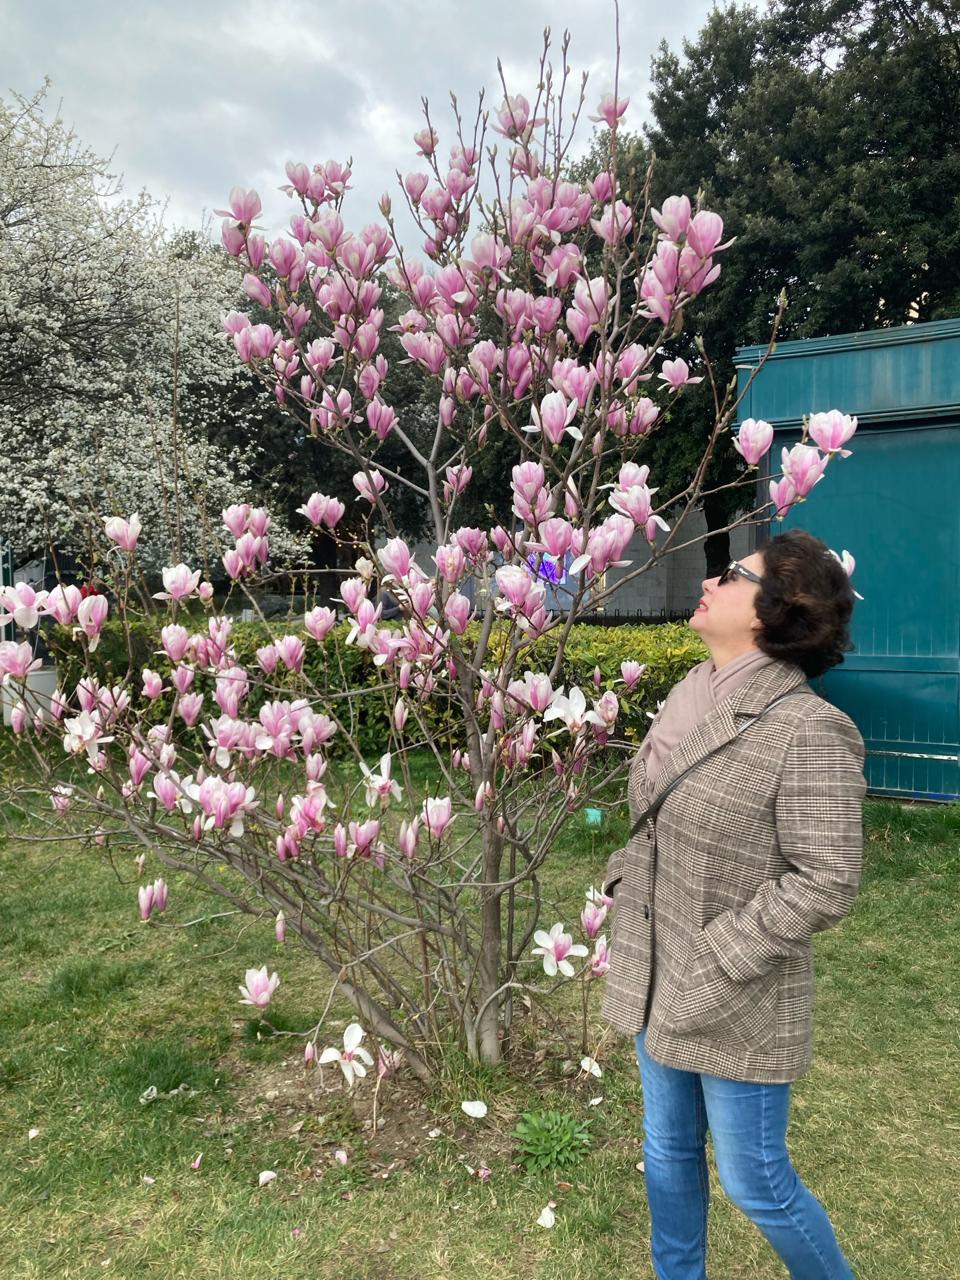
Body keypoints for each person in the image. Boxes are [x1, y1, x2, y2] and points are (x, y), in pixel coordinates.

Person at [601, 528, 866, 1280]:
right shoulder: (692, 697)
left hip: (735, 994)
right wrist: (628, 878)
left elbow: (827, 877)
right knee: (666, 1152)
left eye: (732, 575)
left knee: (756, 1182)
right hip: (657, 973)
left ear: (773, 611)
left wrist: (721, 955)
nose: (711, 582)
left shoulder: (807, 730)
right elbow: (653, 816)